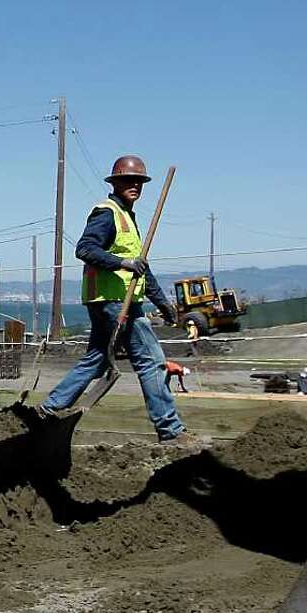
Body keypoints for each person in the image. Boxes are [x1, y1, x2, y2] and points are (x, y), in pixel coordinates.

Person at [40, 154, 189, 443]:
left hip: (116, 300)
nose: (134, 185)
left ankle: (50, 407)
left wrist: (164, 304)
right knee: (151, 361)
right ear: (115, 182)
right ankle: (170, 430)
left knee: (96, 359)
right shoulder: (106, 213)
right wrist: (124, 264)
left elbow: (141, 270)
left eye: (139, 181)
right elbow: (85, 249)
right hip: (114, 303)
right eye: (127, 180)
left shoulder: (128, 218)